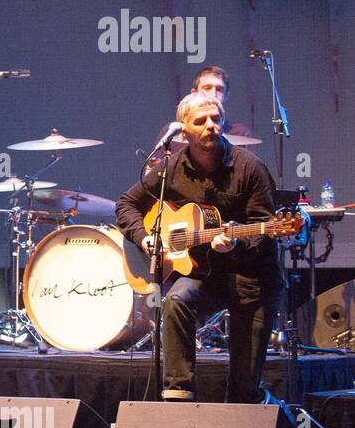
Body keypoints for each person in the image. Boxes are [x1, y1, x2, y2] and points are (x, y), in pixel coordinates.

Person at [116, 92, 283, 402]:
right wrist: (144, 237)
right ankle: (178, 396)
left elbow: (265, 229)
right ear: (183, 130)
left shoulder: (249, 167)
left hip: (252, 278)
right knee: (176, 300)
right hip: (204, 273)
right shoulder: (171, 168)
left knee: (245, 389)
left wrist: (234, 243)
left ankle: (260, 415)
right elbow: (126, 203)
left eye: (216, 119)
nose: (210, 126)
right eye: (200, 121)